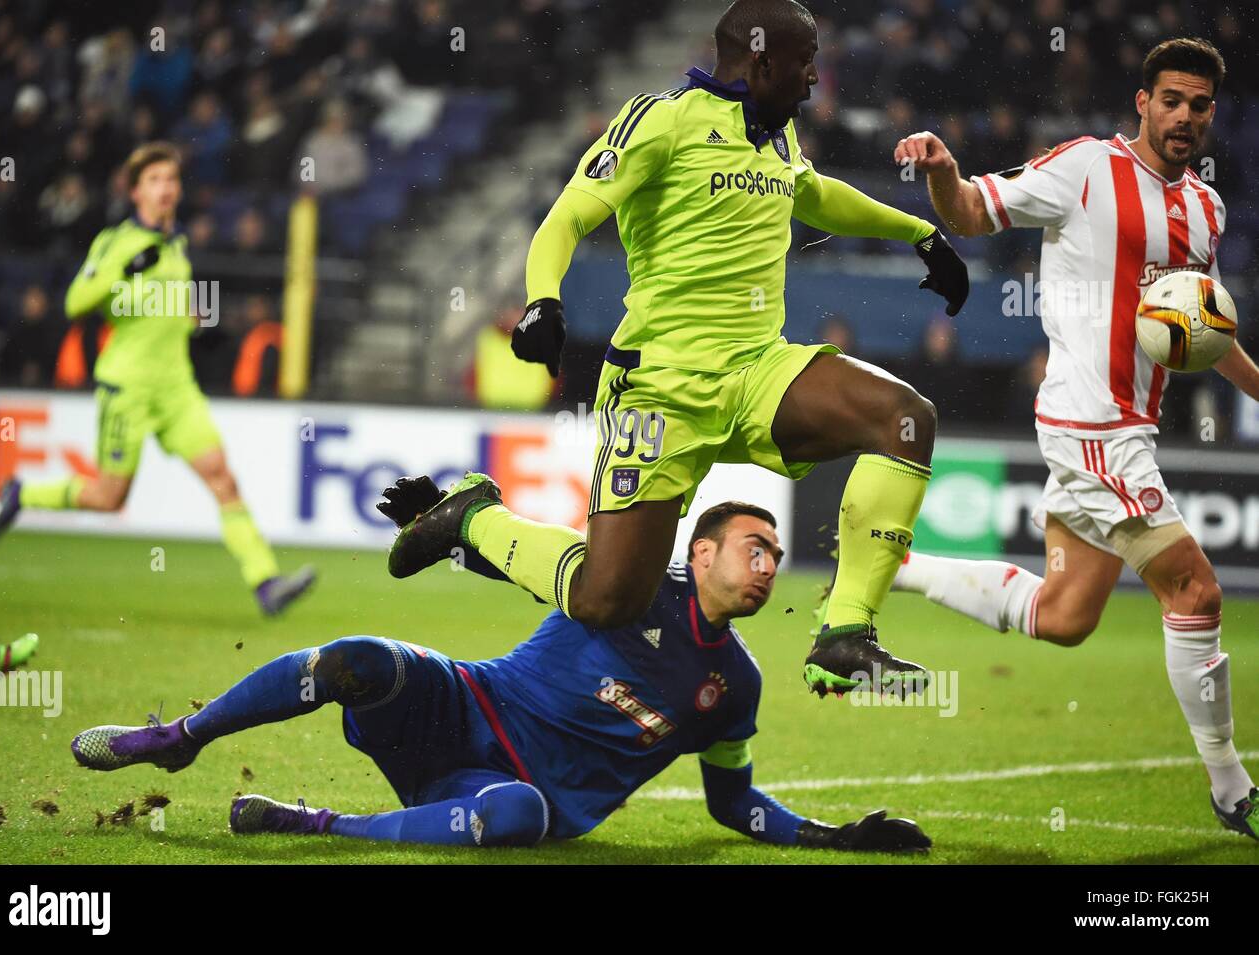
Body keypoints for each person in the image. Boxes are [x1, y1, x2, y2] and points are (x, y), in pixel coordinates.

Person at [388, 0, 970, 697]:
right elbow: (568, 214)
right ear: (760, 61)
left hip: (758, 369)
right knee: (608, 601)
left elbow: (813, 195)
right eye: (805, 60)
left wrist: (920, 234)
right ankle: (473, 518)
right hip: (659, 391)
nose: (816, 77)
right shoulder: (661, 120)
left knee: (905, 419)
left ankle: (844, 634)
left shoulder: (777, 138)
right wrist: (544, 298)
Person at [70, 493, 929, 853]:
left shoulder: (733, 686)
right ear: (701, 553)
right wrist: (455, 528)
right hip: (467, 699)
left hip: (513, 788)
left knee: (514, 815)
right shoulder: (625, 582)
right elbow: (523, 564)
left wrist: (833, 836)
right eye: (755, 547)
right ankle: (178, 738)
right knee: (357, 656)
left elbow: (729, 802)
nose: (772, 564)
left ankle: (316, 824)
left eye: (777, 553)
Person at [889, 37, 1257, 839]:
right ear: (1143, 101)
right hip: (1094, 426)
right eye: (1172, 100)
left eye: (1200, 105)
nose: (1186, 116)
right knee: (1195, 591)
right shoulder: (1087, 168)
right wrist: (944, 169)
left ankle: (898, 566)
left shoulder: (1207, 208)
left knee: (1063, 614)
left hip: (1124, 430)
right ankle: (1233, 788)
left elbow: (1205, 332)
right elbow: (972, 213)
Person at [0, 142, 315, 617]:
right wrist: (123, 271)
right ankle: (22, 493)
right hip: (129, 387)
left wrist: (193, 319)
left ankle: (266, 583)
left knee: (223, 478)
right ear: (135, 192)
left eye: (171, 179)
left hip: (176, 387)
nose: (166, 188)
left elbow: (170, 309)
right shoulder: (116, 243)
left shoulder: (177, 244)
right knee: (108, 495)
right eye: (154, 180)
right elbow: (77, 303)